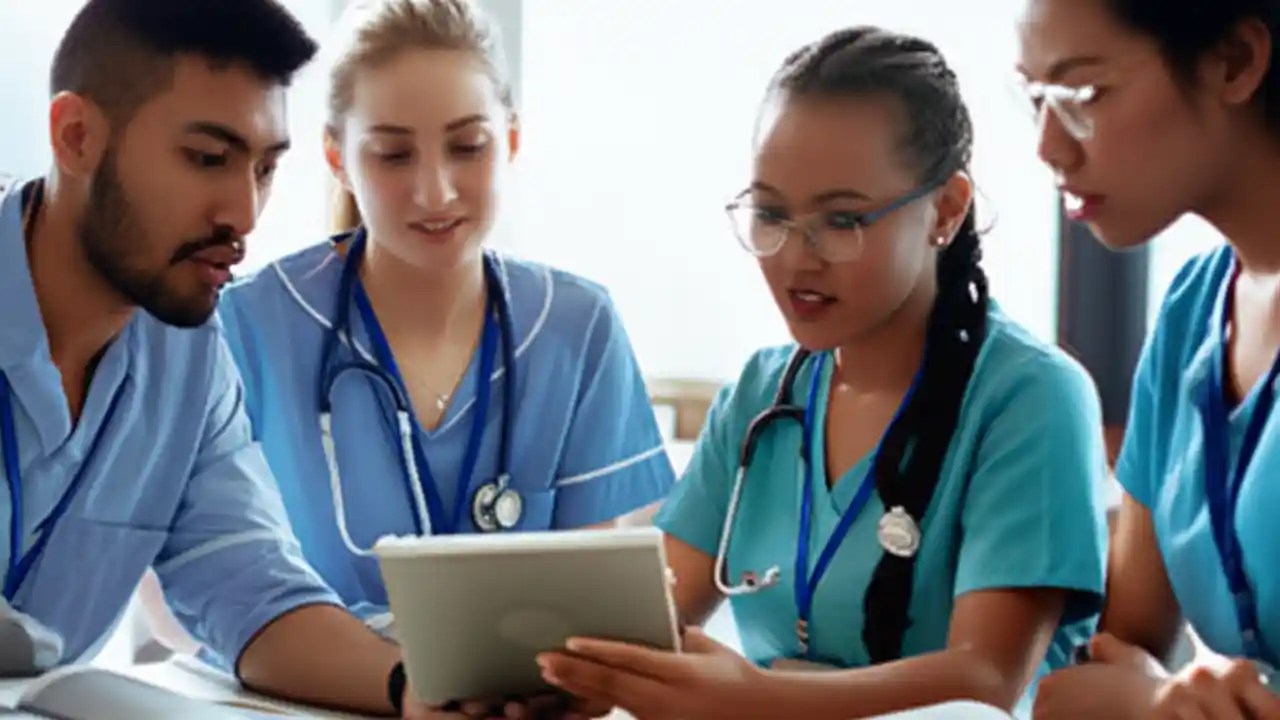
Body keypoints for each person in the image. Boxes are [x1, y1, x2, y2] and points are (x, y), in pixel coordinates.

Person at [536, 25, 1111, 720]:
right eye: (771, 214)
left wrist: (757, 700)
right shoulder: (758, 398)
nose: (795, 258)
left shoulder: (1030, 397)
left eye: (842, 220)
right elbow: (644, 619)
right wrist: (549, 679)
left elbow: (984, 679)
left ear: (946, 210)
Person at [0, 0, 435, 715]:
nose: (244, 212)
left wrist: (419, 691)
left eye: (263, 168)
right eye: (207, 159)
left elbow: (258, 595)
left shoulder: (190, 360)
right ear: (76, 137)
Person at [217, 0, 674, 636]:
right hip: (299, 696)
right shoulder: (247, 327)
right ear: (337, 158)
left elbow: (581, 607)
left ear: (510, 140)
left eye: (467, 146)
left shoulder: (577, 329)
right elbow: (193, 589)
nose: (436, 191)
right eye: (393, 156)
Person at [1014, 1, 1280, 718]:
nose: (1048, 145)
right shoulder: (1193, 313)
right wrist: (1159, 698)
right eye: (1035, 97)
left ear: (1234, 61)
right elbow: (1082, 682)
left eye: (1082, 95)